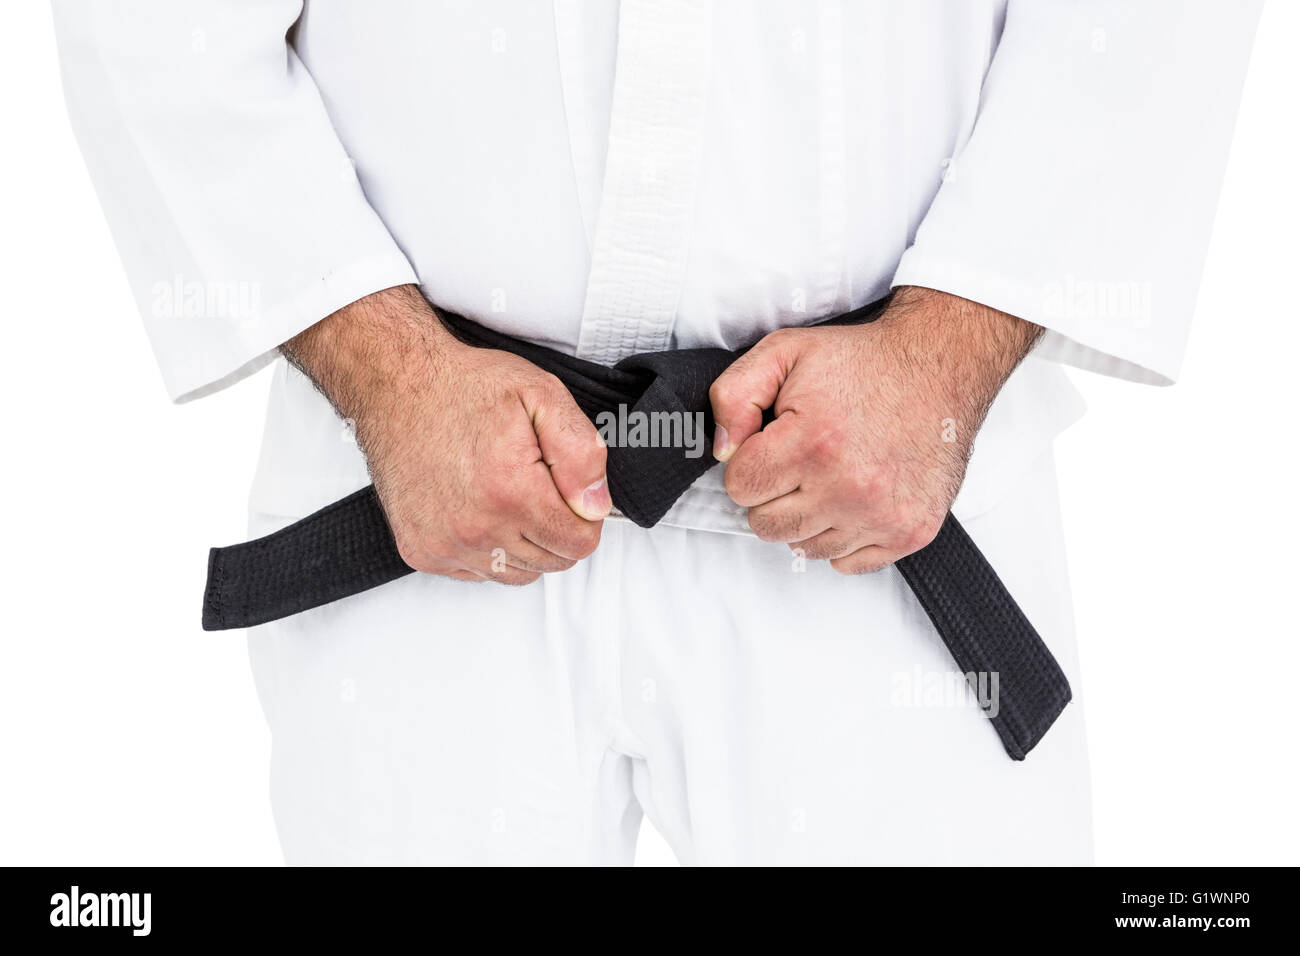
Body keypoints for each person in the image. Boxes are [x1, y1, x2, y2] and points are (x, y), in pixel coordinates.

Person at [52, 0, 1260, 865]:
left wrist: (944, 352)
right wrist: (392, 377)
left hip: (878, 503)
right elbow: (157, 27)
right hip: (428, 503)